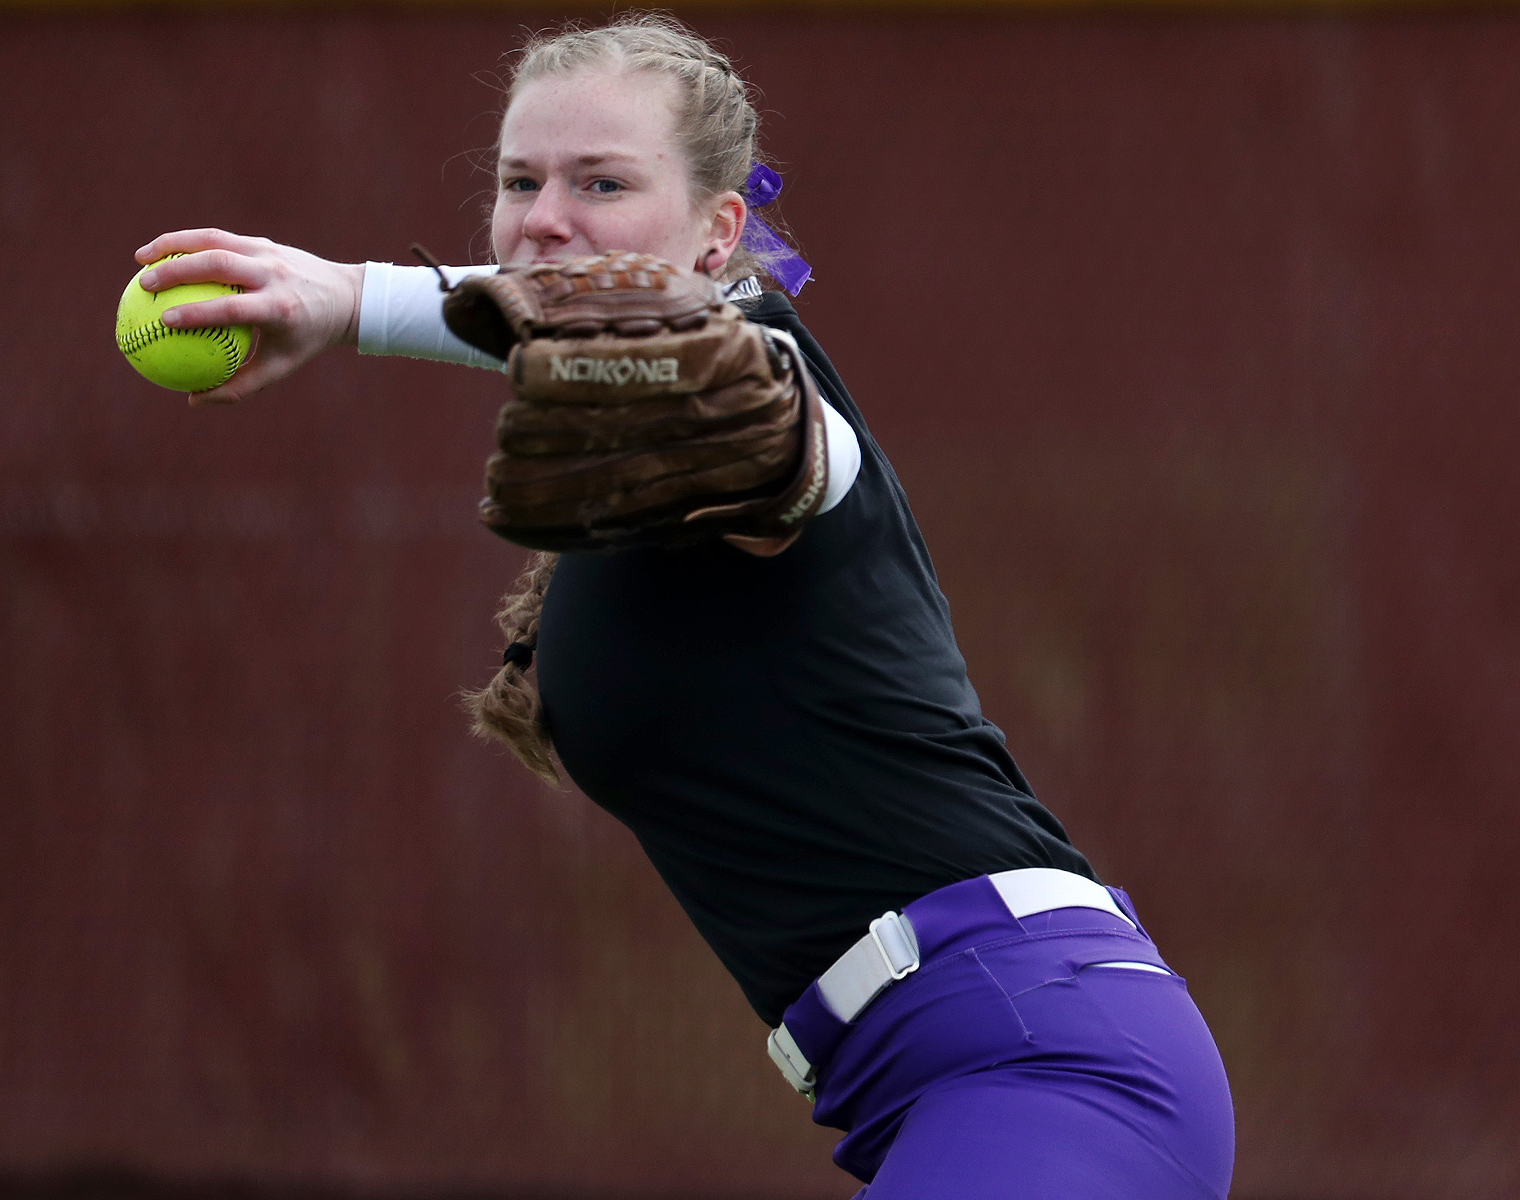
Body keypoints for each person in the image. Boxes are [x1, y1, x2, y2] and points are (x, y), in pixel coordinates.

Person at [131, 14, 1235, 1198]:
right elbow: (589, 330)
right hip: (940, 1072)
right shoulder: (625, 451)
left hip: (1050, 1054)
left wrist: (362, 298)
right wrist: (343, 301)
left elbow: (758, 422)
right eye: (520, 181)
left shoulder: (769, 390)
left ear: (719, 231)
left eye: (603, 182)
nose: (545, 216)